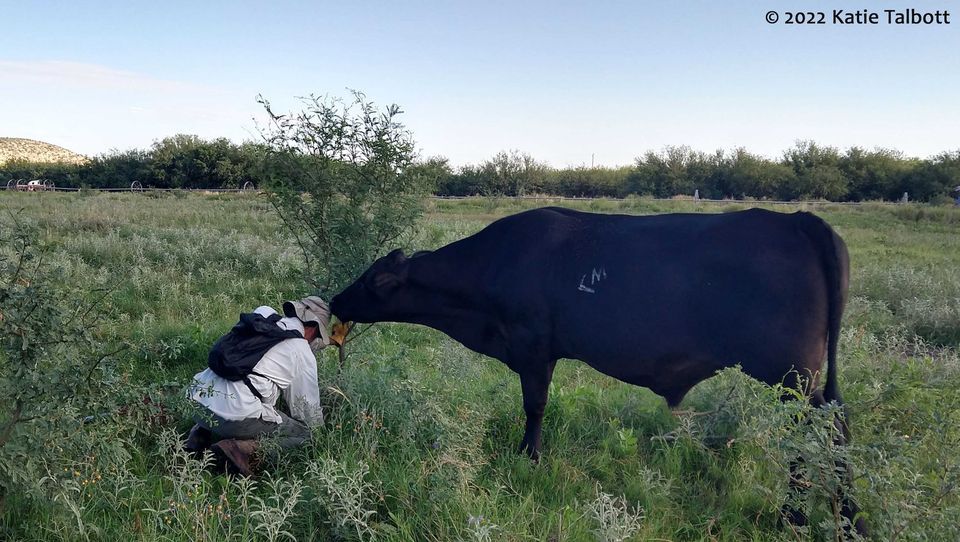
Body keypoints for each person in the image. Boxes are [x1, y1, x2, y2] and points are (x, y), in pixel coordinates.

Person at [184, 296, 331, 475]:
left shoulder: (261, 316)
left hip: (195, 399)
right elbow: (306, 410)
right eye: (317, 336)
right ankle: (239, 450)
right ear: (313, 328)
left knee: (233, 393)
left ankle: (199, 435)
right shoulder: (301, 350)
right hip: (233, 414)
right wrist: (322, 438)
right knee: (307, 437)